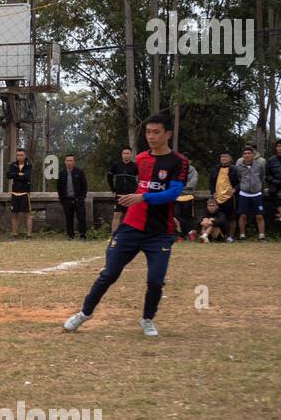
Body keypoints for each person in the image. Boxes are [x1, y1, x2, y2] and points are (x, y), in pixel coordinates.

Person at [63, 114, 188, 338]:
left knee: (155, 280)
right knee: (109, 273)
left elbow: (174, 193)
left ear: (168, 134)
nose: (151, 136)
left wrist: (144, 197)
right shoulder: (140, 159)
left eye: (156, 132)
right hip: (131, 226)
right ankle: (84, 313)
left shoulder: (179, 162)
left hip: (159, 233)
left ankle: (147, 319)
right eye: (148, 132)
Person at [234, 144, 267, 241]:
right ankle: (242, 235)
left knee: (259, 216)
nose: (247, 155)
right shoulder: (239, 167)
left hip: (257, 193)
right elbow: (238, 178)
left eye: (249, 153)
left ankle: (261, 236)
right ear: (242, 156)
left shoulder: (259, 165)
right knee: (243, 215)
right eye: (245, 153)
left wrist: (258, 186)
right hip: (244, 194)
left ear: (253, 155)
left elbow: (262, 177)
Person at [209, 151, 240, 242]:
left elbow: (239, 182)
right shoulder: (216, 169)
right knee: (219, 217)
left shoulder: (234, 169)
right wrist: (213, 192)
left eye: (226, 156)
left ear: (230, 158)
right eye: (222, 156)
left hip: (230, 197)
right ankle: (220, 236)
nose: (223, 158)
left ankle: (230, 236)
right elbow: (211, 182)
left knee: (232, 217)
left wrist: (235, 189)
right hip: (217, 197)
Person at [58, 153, 88, 240]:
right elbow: (59, 187)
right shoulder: (61, 174)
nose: (69, 162)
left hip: (78, 199)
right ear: (65, 162)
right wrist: (62, 198)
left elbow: (84, 185)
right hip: (66, 199)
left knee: (81, 218)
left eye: (71, 160)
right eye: (67, 160)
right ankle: (70, 235)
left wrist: (82, 197)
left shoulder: (79, 172)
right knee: (69, 218)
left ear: (74, 162)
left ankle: (82, 235)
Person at [107, 147, 138, 233]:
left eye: (128, 153)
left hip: (132, 195)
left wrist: (137, 191)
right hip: (119, 194)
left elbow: (142, 179)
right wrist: (113, 189)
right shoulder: (116, 165)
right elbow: (109, 176)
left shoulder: (135, 166)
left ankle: (132, 235)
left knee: (132, 216)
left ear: (131, 154)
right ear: (121, 154)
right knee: (117, 214)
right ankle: (114, 235)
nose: (126, 155)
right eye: (124, 153)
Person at [7, 148, 32, 239]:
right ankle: (14, 234)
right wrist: (19, 174)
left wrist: (16, 175)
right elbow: (8, 175)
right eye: (18, 155)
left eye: (21, 155)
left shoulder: (28, 165)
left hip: (25, 193)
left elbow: (27, 176)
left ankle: (29, 235)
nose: (19, 157)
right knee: (14, 215)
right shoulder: (13, 165)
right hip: (15, 193)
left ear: (25, 156)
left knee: (27, 215)